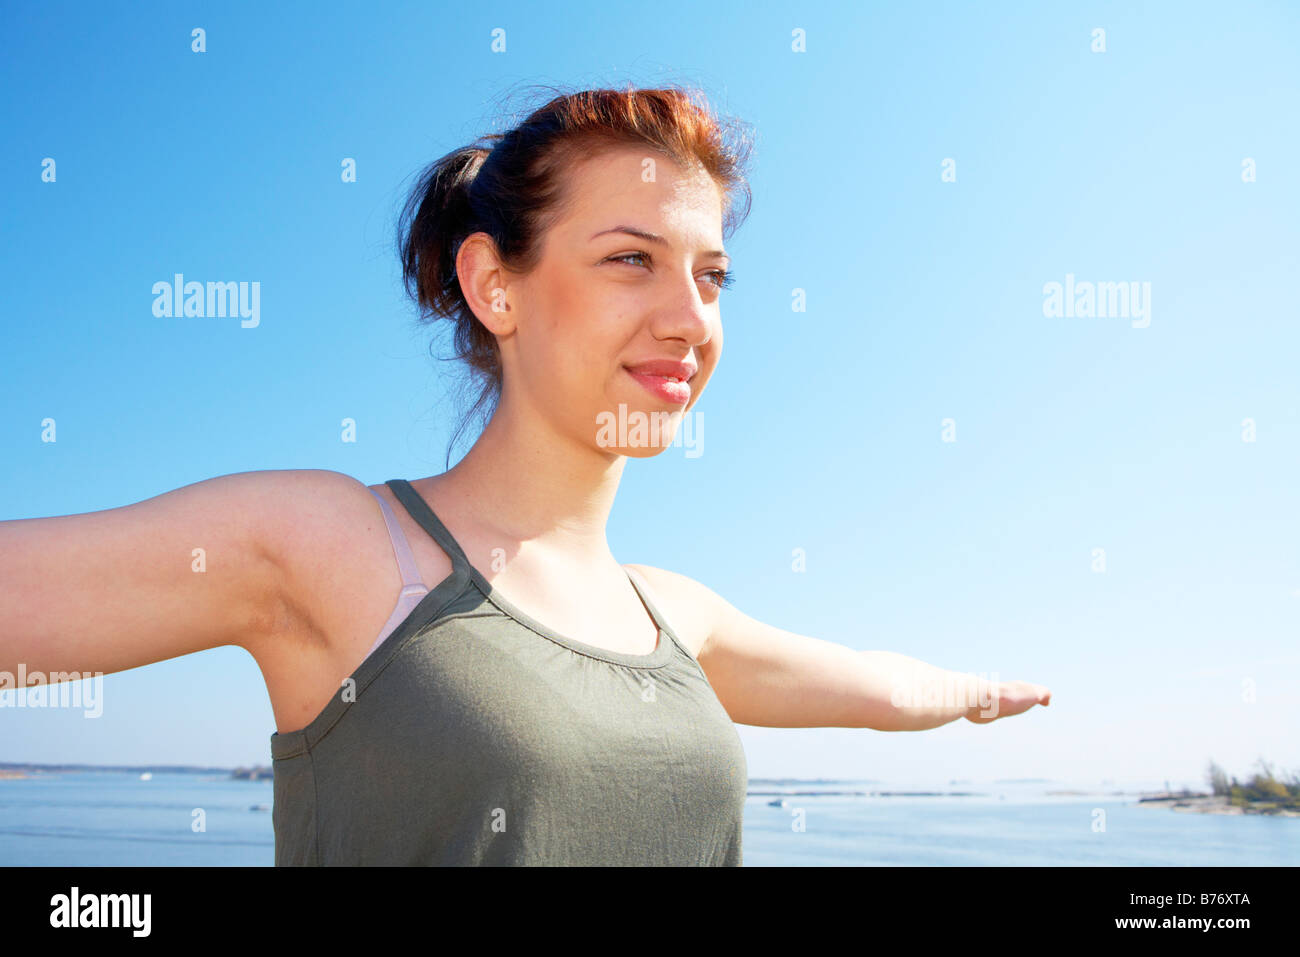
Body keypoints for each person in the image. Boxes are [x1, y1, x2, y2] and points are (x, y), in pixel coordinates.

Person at [0, 84, 1050, 866]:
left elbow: (879, 689)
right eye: (631, 259)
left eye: (711, 275)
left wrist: (971, 694)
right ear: (495, 287)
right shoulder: (340, 549)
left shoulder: (674, 612)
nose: (691, 317)